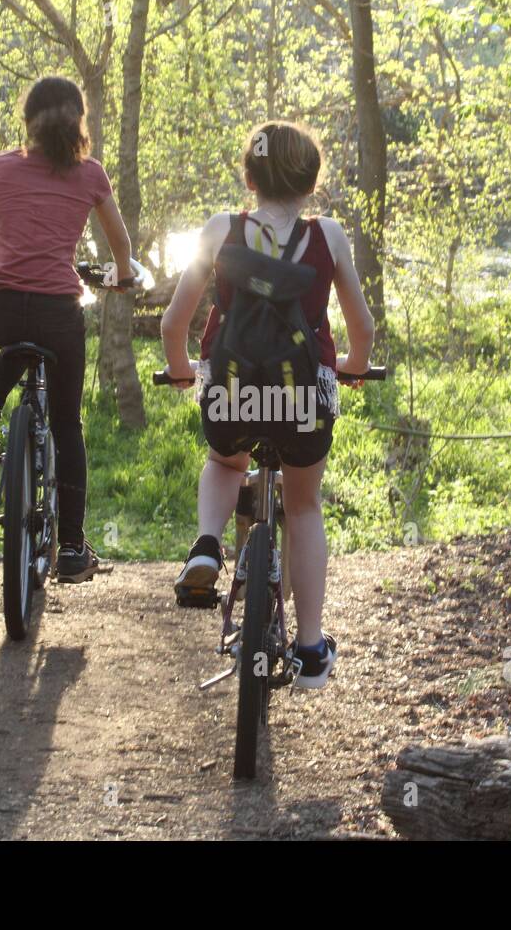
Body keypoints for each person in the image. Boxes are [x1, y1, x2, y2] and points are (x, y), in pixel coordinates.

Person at [159, 121, 375, 688]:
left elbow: (172, 322)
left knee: (226, 462)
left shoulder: (218, 230)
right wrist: (350, 367)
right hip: (304, 397)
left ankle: (207, 546)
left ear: (248, 176)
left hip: (233, 390)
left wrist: (183, 372)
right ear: (311, 181)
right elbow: (363, 329)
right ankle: (308, 650)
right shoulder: (329, 236)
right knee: (303, 507)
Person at [0, 76, 133, 584]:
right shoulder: (91, 176)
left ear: (26, 122)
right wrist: (119, 278)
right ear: (79, 123)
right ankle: (74, 546)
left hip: (4, 307)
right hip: (60, 313)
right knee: (66, 425)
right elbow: (120, 246)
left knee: (12, 346)